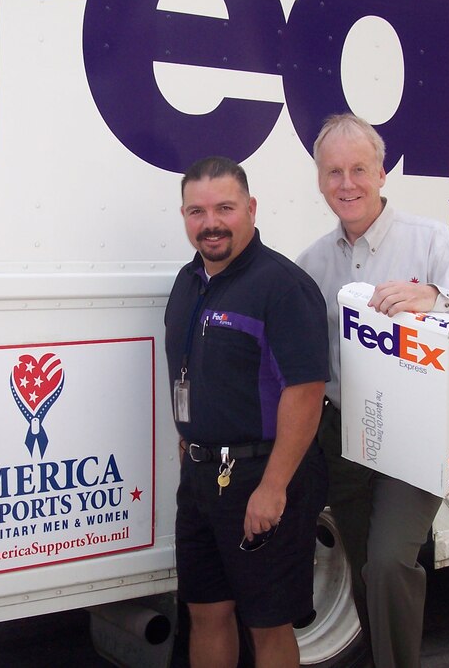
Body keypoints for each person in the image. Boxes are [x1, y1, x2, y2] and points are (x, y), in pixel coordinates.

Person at [297, 114, 449, 668]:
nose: (347, 184)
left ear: (383, 173)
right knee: (367, 566)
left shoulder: (432, 243)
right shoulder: (313, 264)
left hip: (414, 434)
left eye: (360, 169)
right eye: (334, 172)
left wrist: (435, 301)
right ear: (320, 181)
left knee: (391, 561)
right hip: (345, 434)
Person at [164, 156, 330, 668]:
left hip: (261, 477)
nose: (210, 223)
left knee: (267, 625)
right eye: (196, 211)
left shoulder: (282, 286)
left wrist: (274, 487)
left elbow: (305, 392)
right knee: (207, 613)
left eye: (224, 208)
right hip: (200, 479)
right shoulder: (189, 282)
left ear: (251, 209)